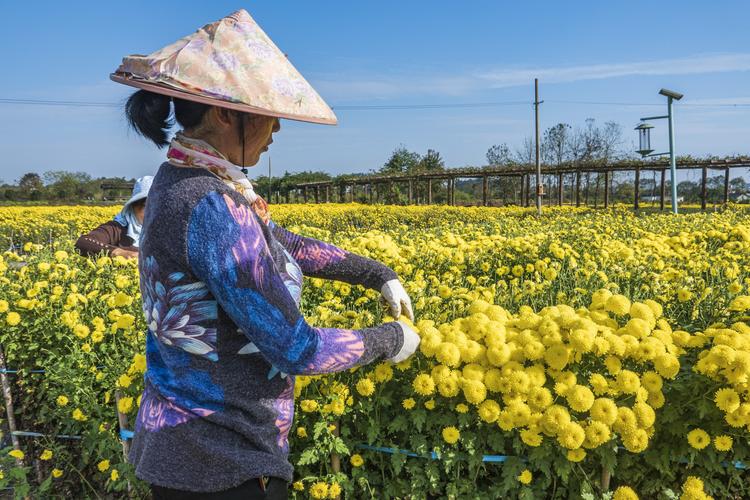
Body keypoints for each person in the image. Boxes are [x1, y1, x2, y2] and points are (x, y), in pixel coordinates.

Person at [111, 9, 420, 499]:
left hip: (188, 450)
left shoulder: (189, 181)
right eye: (269, 112)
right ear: (224, 113)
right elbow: (297, 348)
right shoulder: (209, 203)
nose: (277, 128)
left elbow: (280, 243)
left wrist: (375, 274)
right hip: (219, 463)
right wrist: (391, 340)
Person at [75, 176, 152, 258]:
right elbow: (83, 242)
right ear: (133, 207)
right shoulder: (117, 229)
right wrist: (120, 253)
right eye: (146, 206)